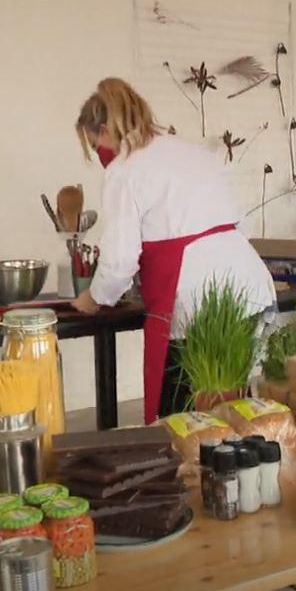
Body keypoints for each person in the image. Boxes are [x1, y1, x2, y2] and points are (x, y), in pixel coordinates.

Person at [71, 78, 276, 424]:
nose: (99, 155)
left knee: (181, 419)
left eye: (95, 146)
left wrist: (93, 298)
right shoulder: (189, 151)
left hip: (194, 300)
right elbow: (242, 223)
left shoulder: (125, 168)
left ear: (105, 130)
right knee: (230, 409)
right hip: (248, 285)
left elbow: (119, 260)